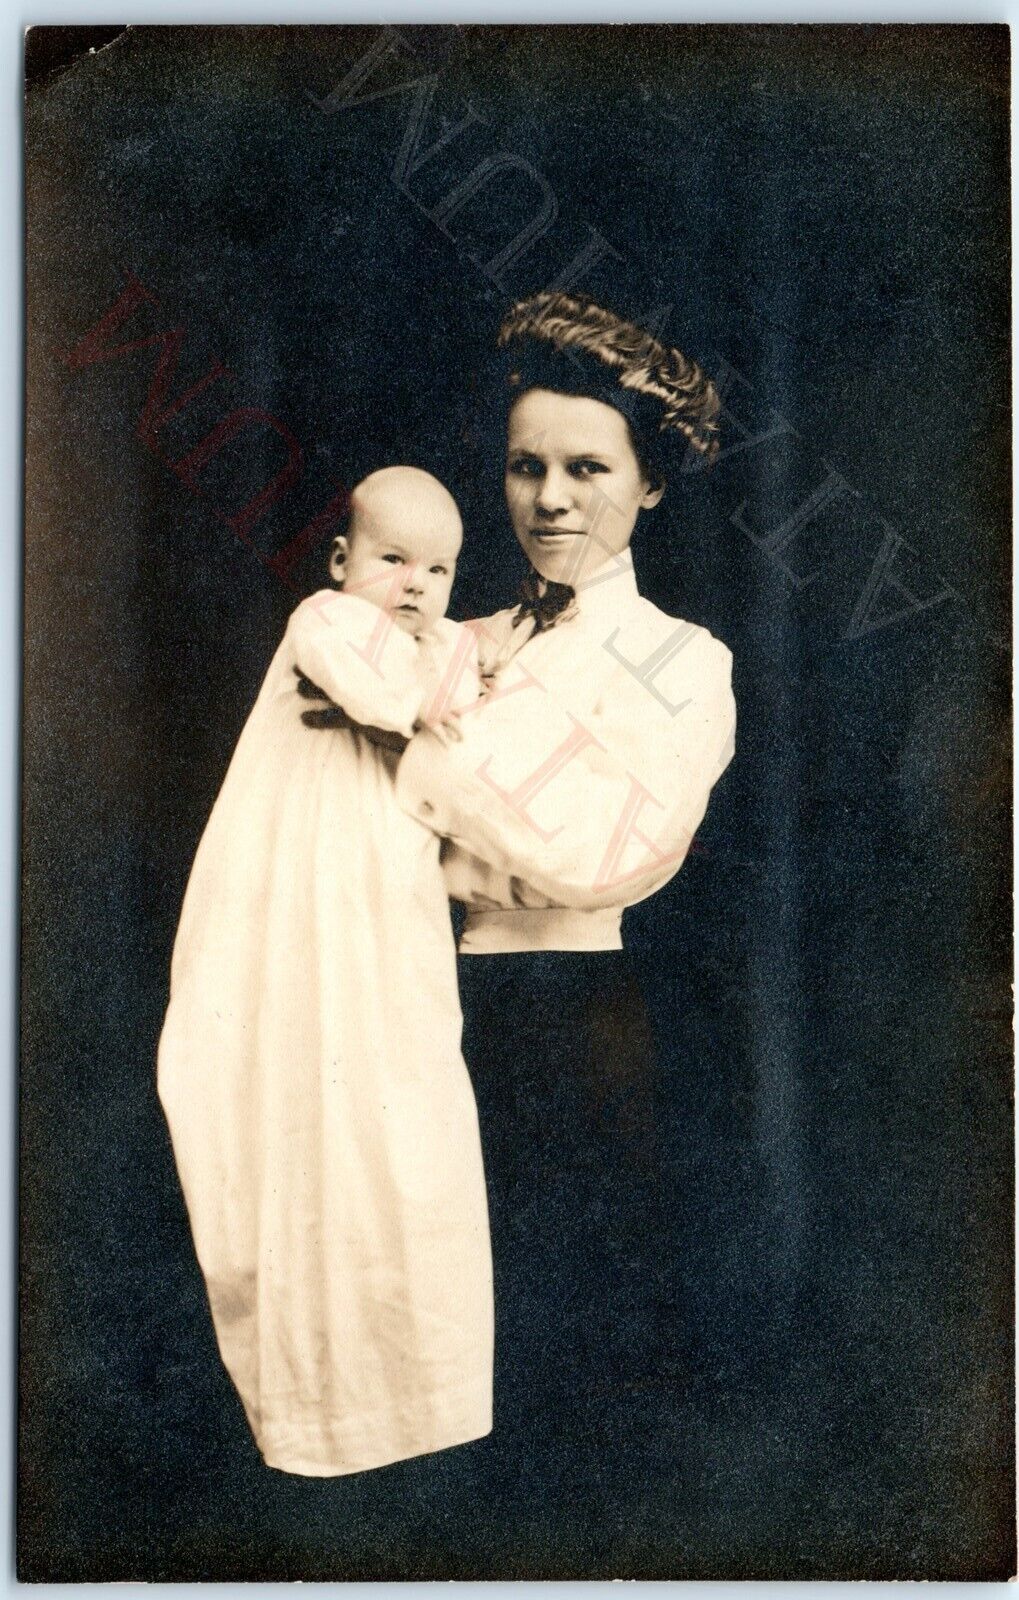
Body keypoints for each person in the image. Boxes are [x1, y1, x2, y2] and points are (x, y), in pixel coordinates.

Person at [302, 293, 736, 1481]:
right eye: (524, 467)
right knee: (424, 1359)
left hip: (569, 1024)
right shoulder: (457, 635)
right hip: (413, 1006)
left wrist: (423, 748)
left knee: (563, 1370)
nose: (550, 499)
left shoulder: (684, 664)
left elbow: (602, 853)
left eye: (587, 468)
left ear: (647, 485)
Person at [157, 466, 494, 1478]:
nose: (414, 585)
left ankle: (408, 1399)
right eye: (391, 558)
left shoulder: (432, 647)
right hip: (286, 900)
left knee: (396, 1122)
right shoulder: (330, 625)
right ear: (343, 561)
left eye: (437, 569)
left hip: (377, 910)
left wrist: (465, 658)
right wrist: (474, 658)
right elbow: (401, 696)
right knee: (282, 1109)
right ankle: (311, 1407)